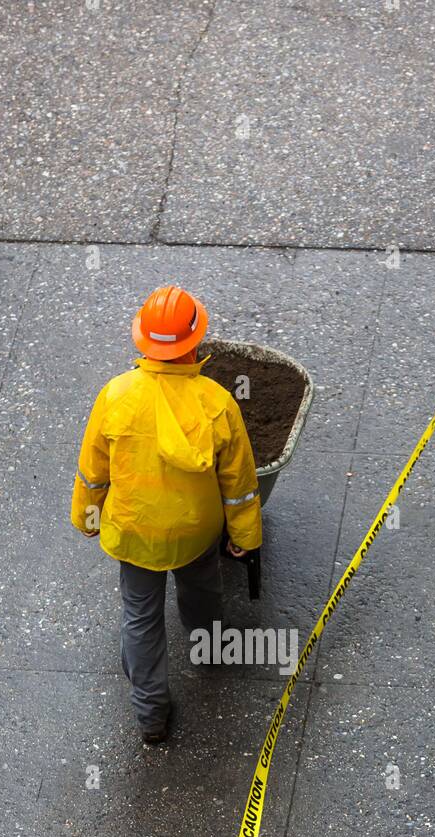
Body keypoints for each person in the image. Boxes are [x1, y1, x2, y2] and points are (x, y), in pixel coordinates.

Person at [70, 285, 262, 743]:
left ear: (143, 342)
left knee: (140, 617)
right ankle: (210, 653)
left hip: (135, 531)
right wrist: (245, 537)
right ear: (194, 342)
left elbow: (93, 471)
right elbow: (238, 484)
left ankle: (151, 715)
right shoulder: (216, 403)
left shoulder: (115, 396)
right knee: (203, 591)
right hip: (195, 531)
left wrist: (88, 518)